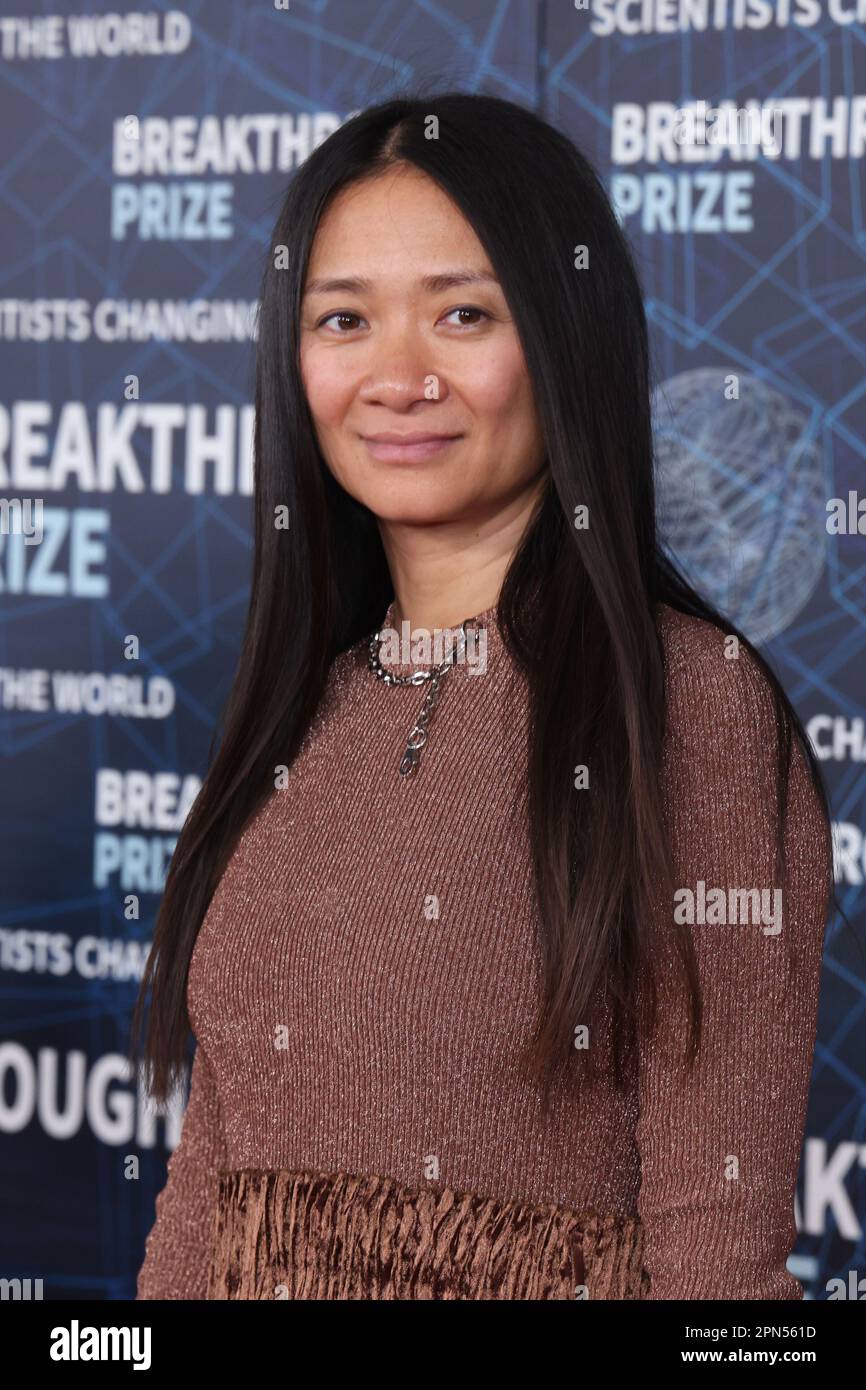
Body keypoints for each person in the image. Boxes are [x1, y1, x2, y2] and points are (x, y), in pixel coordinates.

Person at [133, 91, 835, 1300]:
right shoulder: (309, 697)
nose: (397, 378)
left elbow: (719, 1262)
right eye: (342, 319)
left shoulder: (687, 705)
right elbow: (209, 1200)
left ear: (565, 339)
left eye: (462, 314)